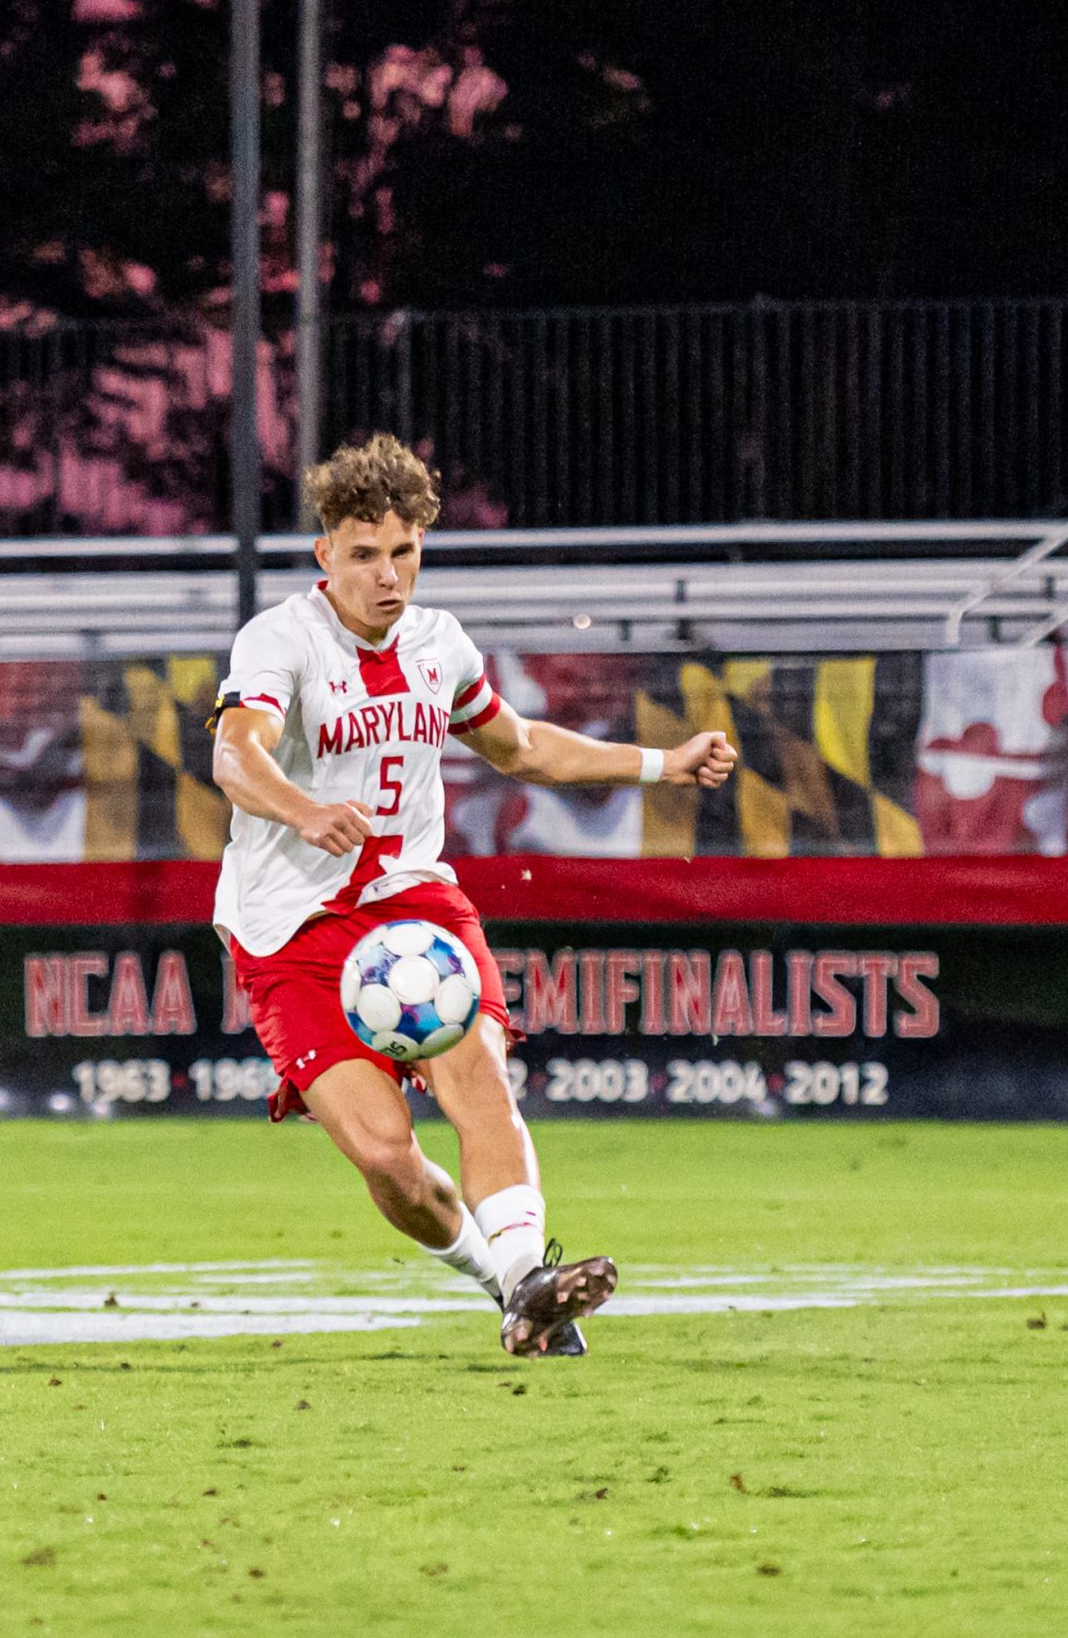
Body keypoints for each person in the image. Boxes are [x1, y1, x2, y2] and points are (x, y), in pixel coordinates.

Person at [210, 434, 738, 1358]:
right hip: (291, 927)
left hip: (414, 905)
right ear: (326, 553)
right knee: (386, 1156)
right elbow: (234, 752)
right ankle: (507, 1286)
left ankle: (532, 1272)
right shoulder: (280, 639)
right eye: (364, 554)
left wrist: (666, 762)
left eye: (403, 550)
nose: (387, 575)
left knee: (480, 1078)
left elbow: (522, 747)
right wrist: (302, 809)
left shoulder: (439, 643)